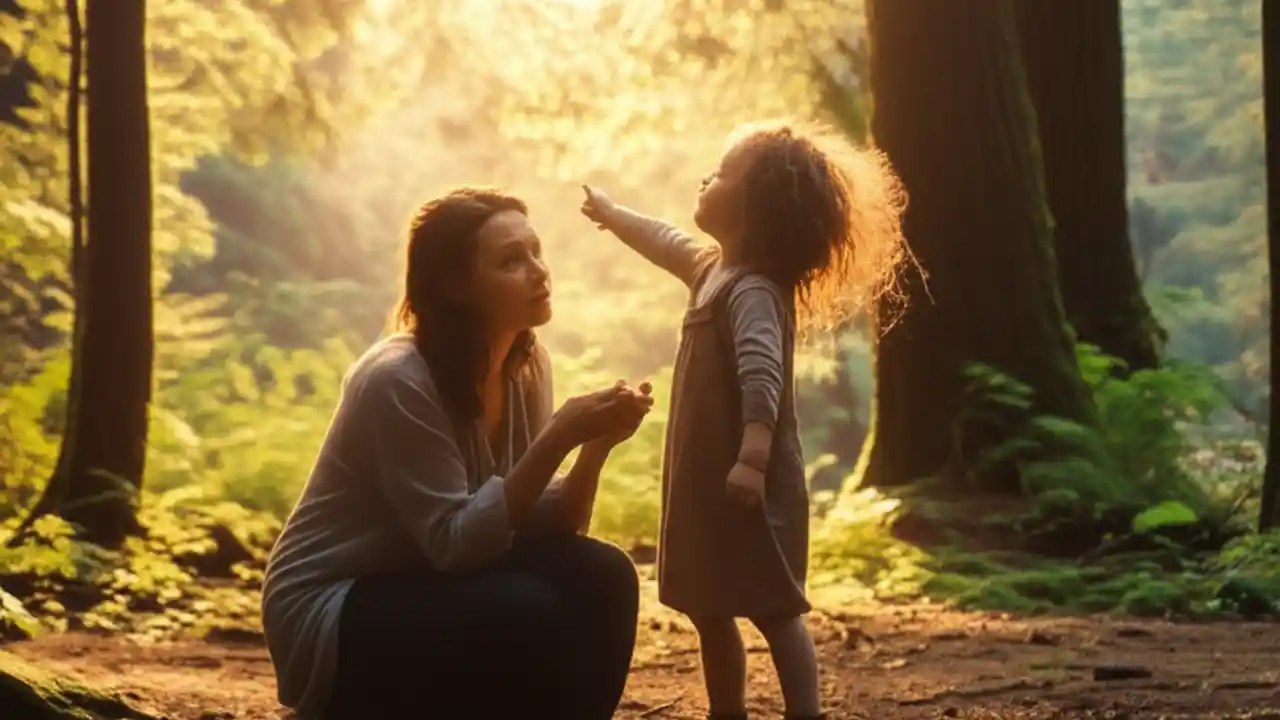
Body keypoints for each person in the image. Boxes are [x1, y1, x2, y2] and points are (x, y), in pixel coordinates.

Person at [263, 187, 654, 719]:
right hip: (336, 602)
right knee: (519, 609)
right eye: (511, 261)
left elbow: (550, 521)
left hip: (429, 576)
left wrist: (593, 448)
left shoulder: (526, 362)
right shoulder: (397, 381)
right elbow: (454, 543)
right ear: (455, 285)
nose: (539, 271)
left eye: (536, 251)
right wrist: (558, 434)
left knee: (605, 575)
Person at [581, 120, 910, 720]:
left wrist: (753, 458)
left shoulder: (752, 291)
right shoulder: (711, 270)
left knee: (775, 607)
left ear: (753, 206)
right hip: (710, 477)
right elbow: (664, 239)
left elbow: (764, 378)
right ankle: (725, 710)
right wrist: (612, 213)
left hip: (749, 480)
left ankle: (803, 712)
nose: (707, 178)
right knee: (709, 605)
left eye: (721, 173)